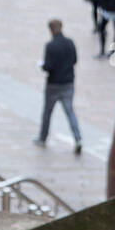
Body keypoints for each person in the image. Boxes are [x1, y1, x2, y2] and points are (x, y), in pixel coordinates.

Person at [34, 18, 82, 153]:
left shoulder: (50, 46)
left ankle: (43, 138)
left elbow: (48, 67)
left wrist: (42, 65)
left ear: (50, 30)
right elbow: (75, 60)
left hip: (54, 84)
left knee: (47, 112)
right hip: (68, 83)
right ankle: (78, 138)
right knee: (70, 112)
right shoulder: (70, 43)